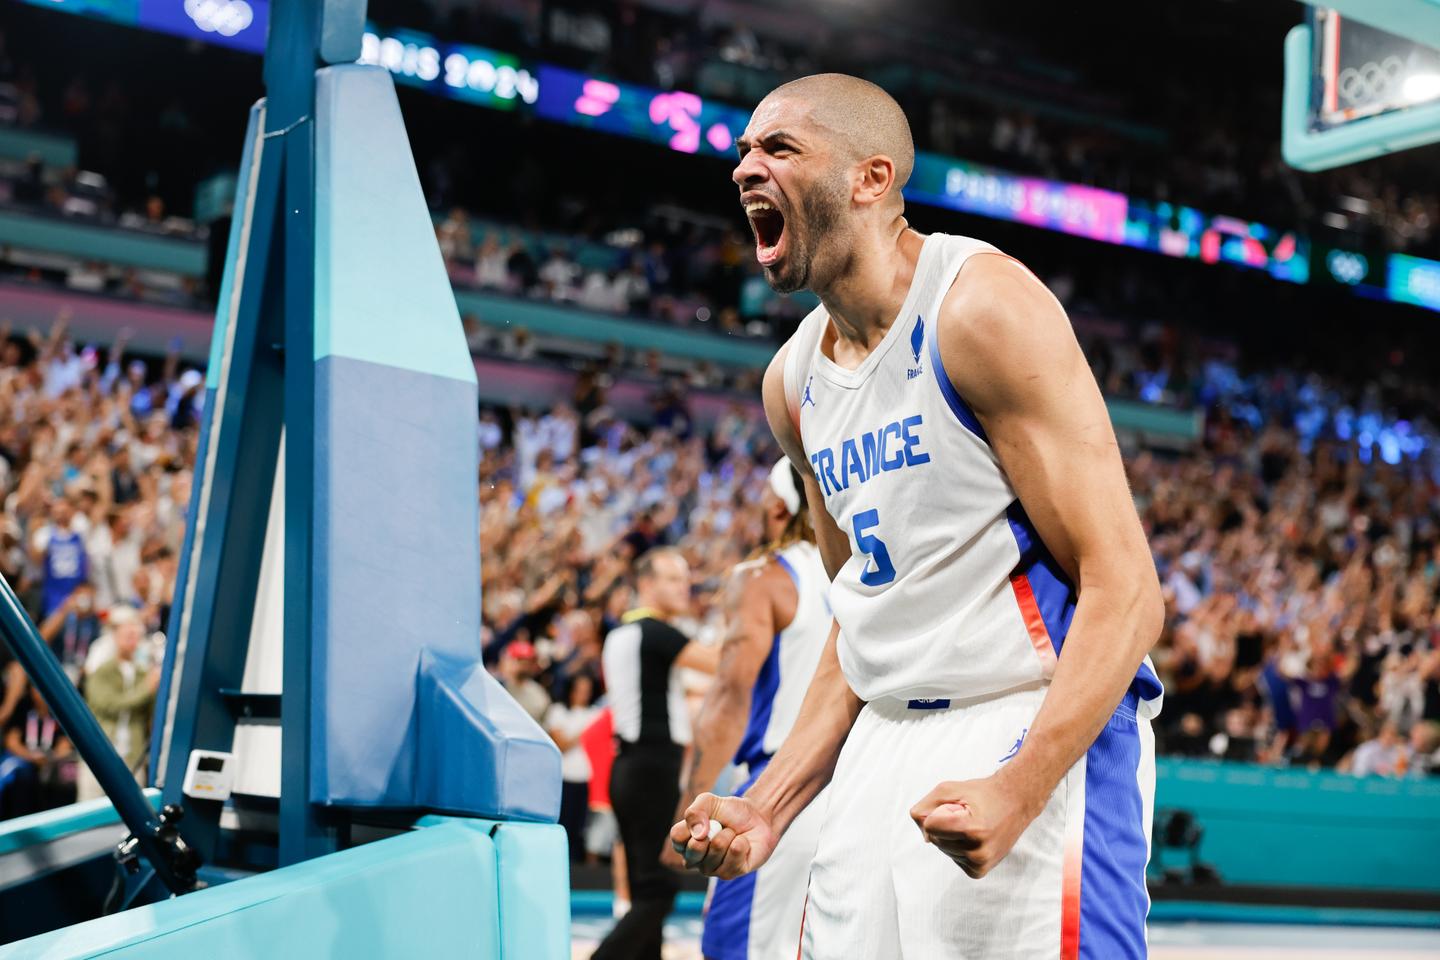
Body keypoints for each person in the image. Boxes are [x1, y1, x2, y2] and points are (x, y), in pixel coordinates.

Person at [672, 74, 1164, 959]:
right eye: (743, 149)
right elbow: (858, 622)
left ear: (872, 178)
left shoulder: (978, 307)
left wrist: (1020, 785)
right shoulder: (791, 384)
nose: (746, 166)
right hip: (880, 742)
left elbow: (1126, 588)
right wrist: (771, 804)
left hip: (1022, 714)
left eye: (778, 148)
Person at [665, 460, 832, 960]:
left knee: (735, 950)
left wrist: (687, 808)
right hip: (863, 794)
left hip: (779, 791)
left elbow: (728, 699)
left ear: (779, 504)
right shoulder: (865, 569)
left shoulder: (764, 577)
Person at [591, 547, 718, 960]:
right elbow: (724, 666)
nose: (686, 587)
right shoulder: (658, 634)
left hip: (628, 766)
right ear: (646, 584)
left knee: (648, 887)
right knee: (659, 892)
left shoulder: (621, 634)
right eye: (674, 578)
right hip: (651, 768)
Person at [78, 607, 160, 801]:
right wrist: (146, 689)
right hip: (99, 754)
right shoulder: (102, 670)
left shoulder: (143, 672)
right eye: (127, 633)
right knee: (89, 814)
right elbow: (109, 705)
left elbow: (150, 715)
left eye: (135, 633)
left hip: (133, 756)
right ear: (114, 635)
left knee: (132, 813)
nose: (132, 638)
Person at [545, 672, 601, 863]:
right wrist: (587, 732)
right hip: (564, 776)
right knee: (563, 822)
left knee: (582, 826)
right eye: (579, 690)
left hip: (587, 777)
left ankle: (577, 864)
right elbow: (561, 744)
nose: (583, 694)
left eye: (587, 690)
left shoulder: (596, 713)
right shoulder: (558, 711)